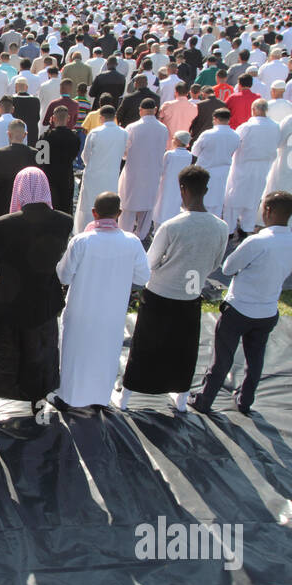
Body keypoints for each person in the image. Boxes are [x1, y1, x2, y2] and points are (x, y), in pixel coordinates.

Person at [117, 166, 229, 413]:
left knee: (145, 345)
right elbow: (215, 263)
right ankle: (180, 400)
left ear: (182, 190)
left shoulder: (172, 226)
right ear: (206, 190)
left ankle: (125, 397)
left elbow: (150, 263)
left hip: (159, 293)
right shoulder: (221, 227)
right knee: (185, 348)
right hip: (191, 295)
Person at [191, 191, 292, 415]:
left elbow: (228, 268)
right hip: (268, 310)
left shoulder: (258, 241)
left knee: (222, 358)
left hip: (240, 309)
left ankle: (205, 400)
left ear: (268, 211)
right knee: (255, 359)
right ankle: (245, 400)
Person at [0, 168, 71, 419]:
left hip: (10, 300)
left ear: (18, 189)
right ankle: (38, 406)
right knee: (40, 353)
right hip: (44, 299)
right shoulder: (63, 221)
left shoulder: (3, 224)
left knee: (3, 352)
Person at [53, 191, 151, 410]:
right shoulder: (132, 243)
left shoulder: (82, 241)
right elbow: (143, 277)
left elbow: (63, 276)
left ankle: (67, 398)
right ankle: (99, 399)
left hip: (81, 311)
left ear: (94, 213)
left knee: (74, 355)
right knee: (105, 355)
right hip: (112, 313)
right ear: (119, 213)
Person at [223, 99, 280, 236]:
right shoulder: (275, 126)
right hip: (263, 167)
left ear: (253, 110)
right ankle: (247, 227)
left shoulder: (247, 127)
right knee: (254, 198)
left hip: (243, 166)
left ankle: (229, 228)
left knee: (233, 198)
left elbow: (233, 143)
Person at [119, 98, 169, 236]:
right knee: (148, 206)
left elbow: (124, 151)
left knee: (128, 206)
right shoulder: (163, 128)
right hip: (153, 171)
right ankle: (141, 234)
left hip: (133, 170)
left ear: (140, 111)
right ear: (155, 110)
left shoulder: (132, 127)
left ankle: (124, 232)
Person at [0, 119, 39, 226]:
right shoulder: (35, 154)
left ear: (9, 134)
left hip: (1, 202)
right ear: (25, 135)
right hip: (26, 204)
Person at [189, 108, 240, 216]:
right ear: (229, 120)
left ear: (215, 119)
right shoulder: (235, 135)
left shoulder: (208, 134)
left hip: (205, 171)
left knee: (202, 201)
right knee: (218, 203)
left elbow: (195, 151)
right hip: (224, 172)